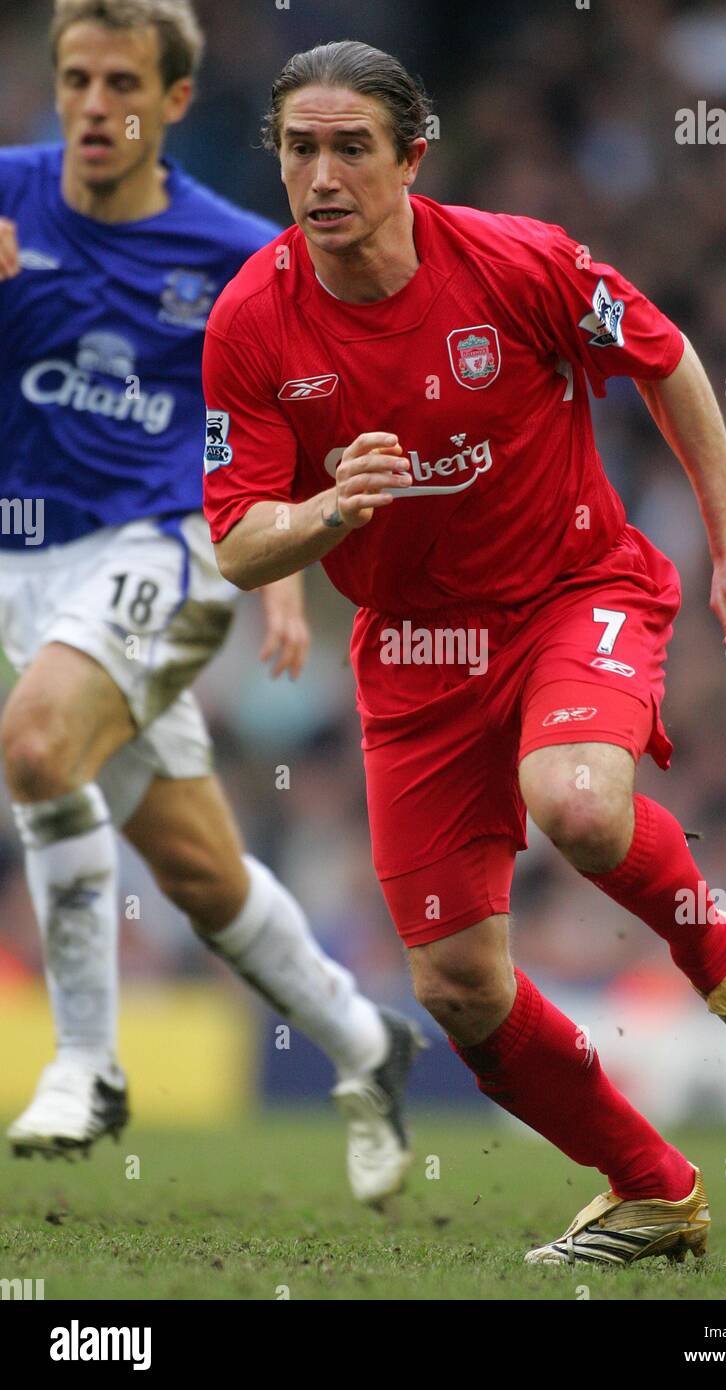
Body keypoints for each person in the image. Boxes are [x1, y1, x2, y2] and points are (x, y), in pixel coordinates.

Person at [202, 39, 726, 1266]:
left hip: (568, 592)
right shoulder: (251, 321)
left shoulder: (517, 261)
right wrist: (326, 513)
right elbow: (237, 542)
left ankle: (722, 959)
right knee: (455, 988)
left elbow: (667, 356)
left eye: (349, 148)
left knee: (577, 805)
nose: (321, 175)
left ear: (410, 157)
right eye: (297, 149)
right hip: (411, 660)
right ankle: (651, 1187)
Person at [0, 4, 422, 1206]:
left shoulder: (242, 253)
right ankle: (362, 1040)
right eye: (74, 77)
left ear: (173, 101)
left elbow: (293, 421)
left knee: (36, 746)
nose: (92, 103)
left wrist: (283, 568)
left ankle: (85, 1060)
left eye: (120, 80)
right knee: (198, 870)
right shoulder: (7, 203)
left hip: (166, 551)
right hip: (24, 573)